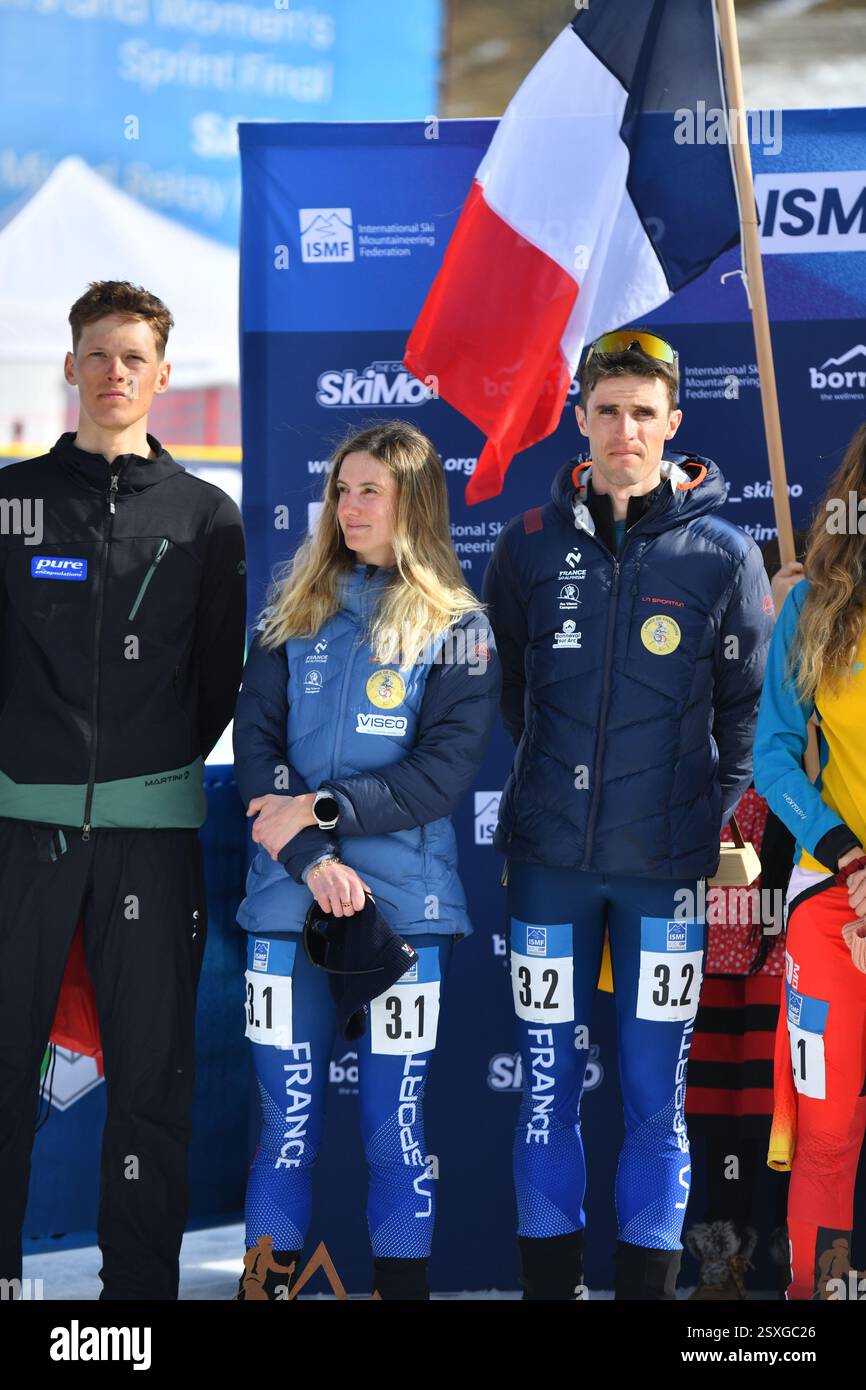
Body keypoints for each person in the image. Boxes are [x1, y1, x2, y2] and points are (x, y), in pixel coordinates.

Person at [482, 327, 774, 1300]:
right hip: (548, 867)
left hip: (664, 874)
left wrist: (697, 810)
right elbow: (512, 692)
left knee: (654, 1098)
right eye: (605, 410)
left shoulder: (720, 553)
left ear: (671, 424)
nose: (623, 430)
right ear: (579, 418)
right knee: (543, 1089)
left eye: (642, 413)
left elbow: (749, 712)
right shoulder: (526, 547)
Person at [0, 280, 246, 1299]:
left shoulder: (204, 517)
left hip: (152, 837)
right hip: (22, 835)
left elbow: (214, 684)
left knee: (152, 1079)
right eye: (98, 354)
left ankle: (137, 1300)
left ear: (161, 374)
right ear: (69, 365)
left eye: (134, 358)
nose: (115, 374)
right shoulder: (10, 500)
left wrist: (140, 780)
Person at [232, 419, 500, 1301]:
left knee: (395, 1130)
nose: (349, 508)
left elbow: (441, 774)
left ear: (413, 503)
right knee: (288, 1124)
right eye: (341, 491)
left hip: (406, 920)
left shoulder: (459, 628)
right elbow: (259, 750)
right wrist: (311, 856)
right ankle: (262, 1289)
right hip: (285, 905)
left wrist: (320, 808)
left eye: (370, 491)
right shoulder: (289, 614)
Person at [754, 421, 866, 1301]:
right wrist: (852, 868)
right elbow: (775, 757)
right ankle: (817, 1308)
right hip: (838, 903)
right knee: (829, 1137)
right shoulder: (816, 603)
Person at [685, 541, 809, 1301]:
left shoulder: (820, 669)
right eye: (769, 598)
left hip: (784, 926)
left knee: (775, 1113)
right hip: (702, 924)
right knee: (705, 1110)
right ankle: (716, 1264)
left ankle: (784, 1261)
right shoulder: (706, 665)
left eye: (793, 598)